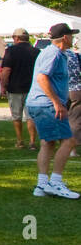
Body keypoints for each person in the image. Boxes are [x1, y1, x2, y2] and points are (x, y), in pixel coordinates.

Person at [25, 23, 80, 199]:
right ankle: (56, 183)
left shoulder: (55, 53)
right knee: (69, 141)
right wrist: (57, 103)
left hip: (39, 104)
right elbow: (42, 77)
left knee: (48, 143)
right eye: (71, 35)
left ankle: (42, 185)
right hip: (47, 105)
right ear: (65, 37)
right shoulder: (54, 54)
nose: (73, 38)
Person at [0, 29, 39, 149]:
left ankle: (20, 140)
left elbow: (6, 70)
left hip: (15, 87)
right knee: (31, 116)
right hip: (32, 88)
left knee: (16, 116)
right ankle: (32, 142)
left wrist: (3, 86)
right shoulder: (36, 51)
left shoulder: (11, 51)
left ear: (16, 38)